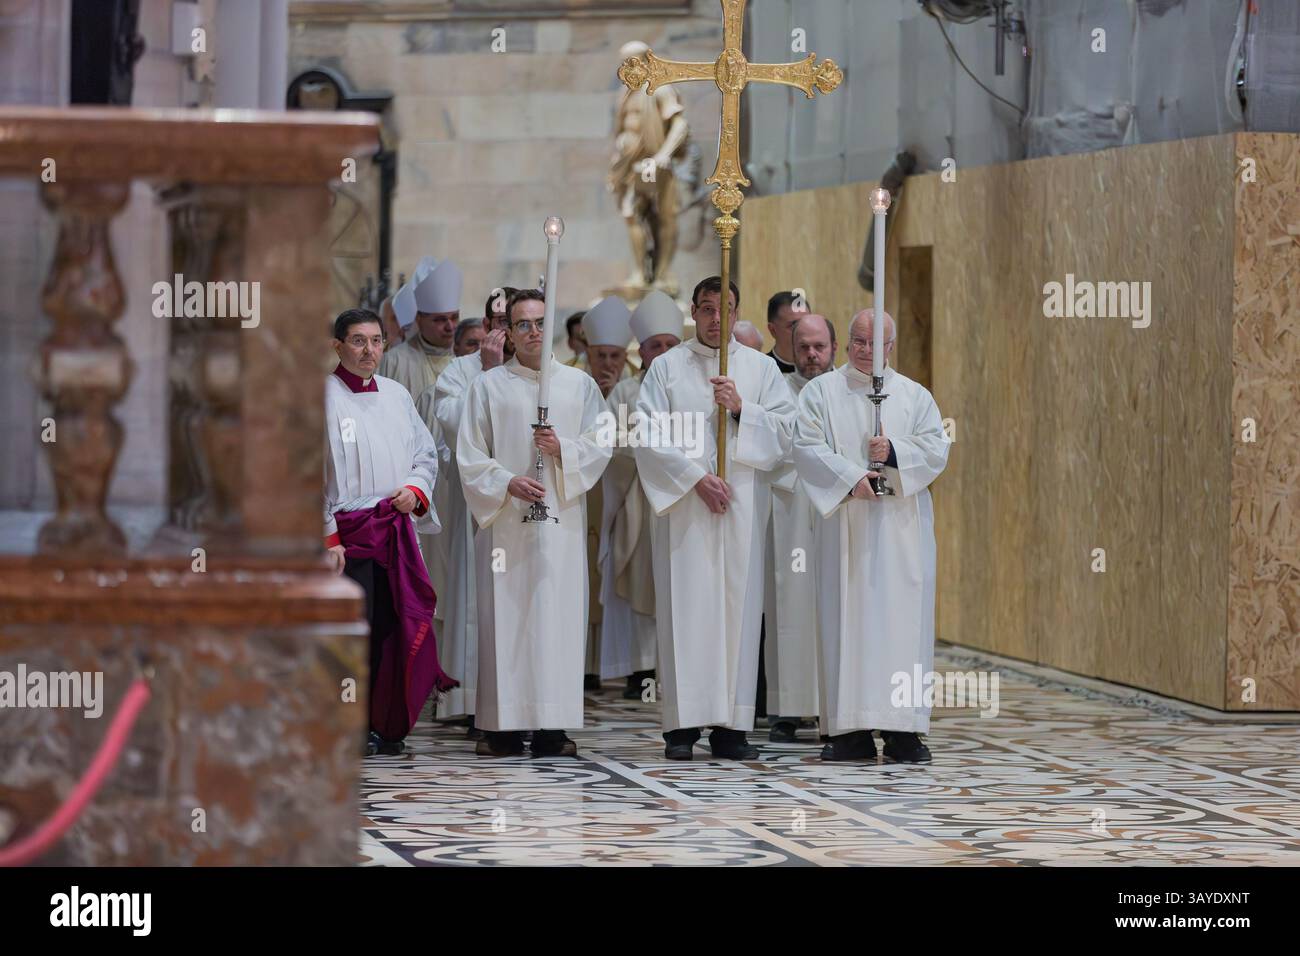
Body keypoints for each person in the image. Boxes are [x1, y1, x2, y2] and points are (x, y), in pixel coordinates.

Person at [635, 277, 796, 760]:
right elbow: (646, 433)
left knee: (738, 614)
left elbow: (787, 433)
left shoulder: (759, 370)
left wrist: (744, 409)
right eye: (705, 308)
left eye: (724, 309)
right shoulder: (666, 369)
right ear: (693, 311)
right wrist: (694, 479)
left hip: (742, 507)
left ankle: (732, 725)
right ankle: (682, 726)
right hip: (687, 509)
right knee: (687, 612)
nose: (714, 318)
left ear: (735, 311)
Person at [458, 289, 613, 757]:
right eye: (522, 324)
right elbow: (469, 454)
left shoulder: (578, 386)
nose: (532, 332)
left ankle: (552, 727)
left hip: (559, 527)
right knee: (506, 619)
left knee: (556, 619)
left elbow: (601, 441)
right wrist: (507, 482)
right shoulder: (487, 387)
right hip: (506, 524)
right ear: (508, 332)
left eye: (540, 323)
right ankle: (502, 727)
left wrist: (563, 448)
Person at [793, 309, 949, 763]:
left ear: (890, 348)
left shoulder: (914, 396)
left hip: (900, 531)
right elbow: (805, 446)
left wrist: (895, 451)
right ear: (847, 344)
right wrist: (849, 476)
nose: (865, 350)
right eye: (858, 341)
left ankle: (903, 731)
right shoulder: (821, 392)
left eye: (874, 344)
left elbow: (937, 449)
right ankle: (848, 731)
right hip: (846, 528)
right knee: (846, 619)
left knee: (901, 626)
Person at [323, 308, 457, 757]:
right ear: (337, 346)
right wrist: (327, 537)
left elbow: (426, 454)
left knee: (391, 631)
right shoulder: (321, 398)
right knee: (347, 636)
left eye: (377, 341)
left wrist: (415, 491)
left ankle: (383, 723)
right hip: (345, 538)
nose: (369, 351)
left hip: (394, 531)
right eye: (358, 341)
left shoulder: (397, 395)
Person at [423, 288, 515, 736]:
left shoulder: (540, 369)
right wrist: (489, 374)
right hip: (476, 503)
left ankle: (518, 700)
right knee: (474, 594)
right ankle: (467, 696)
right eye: (494, 321)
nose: (501, 330)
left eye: (508, 321)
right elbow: (459, 427)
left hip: (524, 502)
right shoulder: (460, 371)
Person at [599, 290, 681, 699]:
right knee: (640, 575)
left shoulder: (694, 386)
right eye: (656, 346)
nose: (664, 352)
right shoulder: (627, 393)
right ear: (642, 351)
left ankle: (675, 669)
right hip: (637, 497)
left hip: (685, 500)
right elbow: (608, 444)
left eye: (671, 345)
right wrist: (645, 453)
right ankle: (640, 670)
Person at [764, 313, 835, 743]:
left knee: (833, 606)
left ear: (833, 349)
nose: (811, 355)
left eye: (819, 347)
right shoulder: (777, 392)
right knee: (788, 607)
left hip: (837, 511)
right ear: (790, 347)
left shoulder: (846, 393)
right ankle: (787, 708)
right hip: (790, 508)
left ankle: (832, 705)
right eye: (803, 346)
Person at [577, 297, 633, 691]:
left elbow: (633, 444)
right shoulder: (569, 381)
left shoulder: (632, 390)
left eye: (615, 355)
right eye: (601, 355)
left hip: (618, 490)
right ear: (588, 352)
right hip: (579, 490)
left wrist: (614, 399)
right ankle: (580, 662)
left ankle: (609, 662)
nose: (608, 363)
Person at [765, 291, 809, 374]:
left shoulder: (823, 370)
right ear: (773, 330)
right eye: (794, 325)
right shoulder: (761, 370)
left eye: (807, 323)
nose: (803, 331)